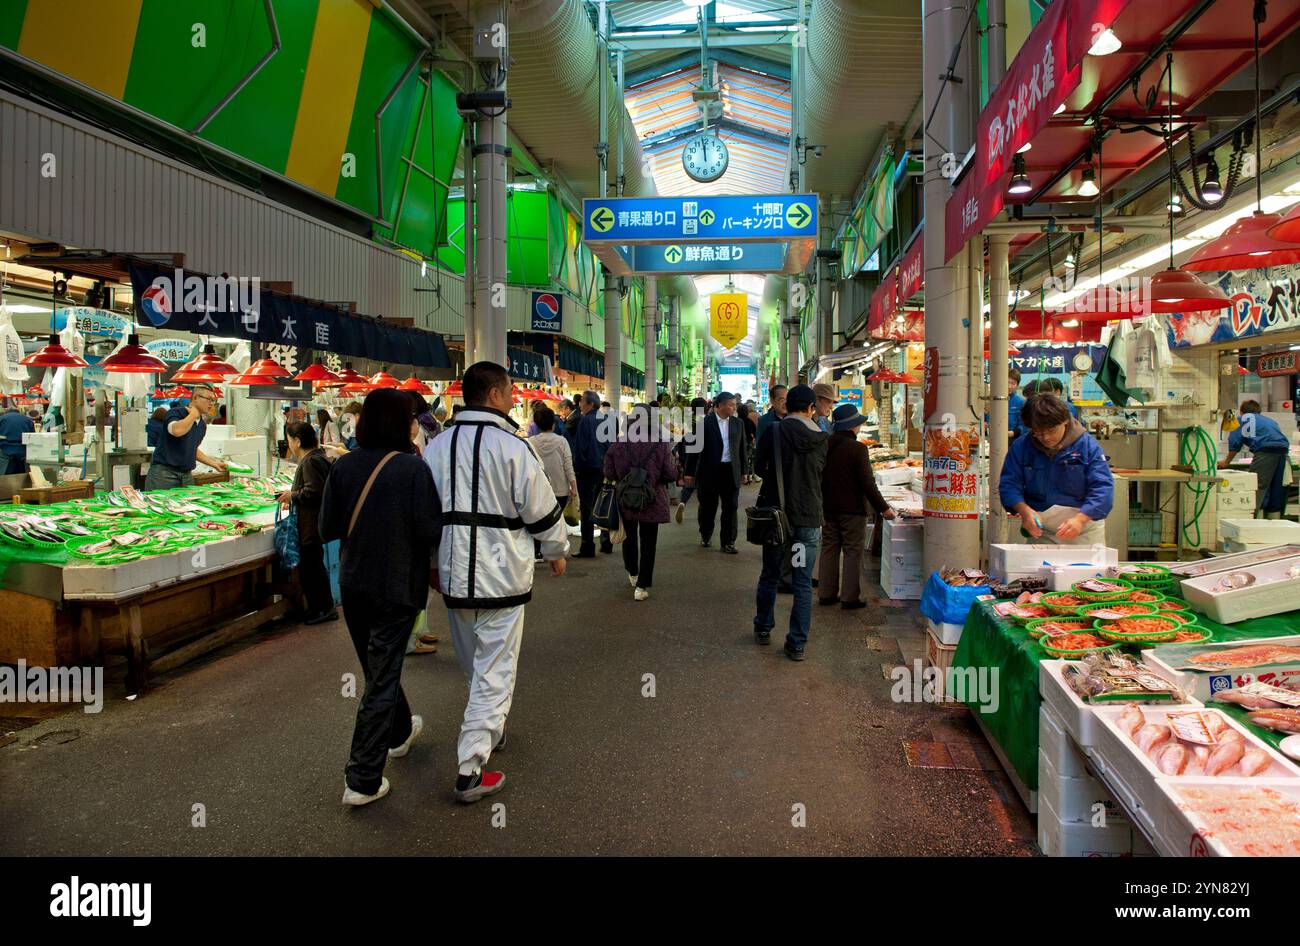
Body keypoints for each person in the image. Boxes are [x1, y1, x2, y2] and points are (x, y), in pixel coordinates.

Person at [423, 362, 569, 804]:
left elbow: (425, 513)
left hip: (453, 575)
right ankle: (470, 768)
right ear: (492, 395)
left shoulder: (437, 447)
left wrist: (432, 561)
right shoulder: (513, 447)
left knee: (475, 665)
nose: (513, 398)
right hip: (501, 576)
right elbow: (541, 509)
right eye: (508, 391)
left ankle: (491, 726)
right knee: (495, 671)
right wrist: (556, 549)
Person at [319, 388, 441, 807]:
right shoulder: (412, 469)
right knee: (382, 673)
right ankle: (363, 778)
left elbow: (327, 528)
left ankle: (401, 731)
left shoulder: (345, 466)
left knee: (378, 669)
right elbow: (430, 531)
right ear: (401, 423)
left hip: (354, 585)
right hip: (397, 585)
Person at [753, 384, 829, 661]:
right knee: (802, 582)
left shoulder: (775, 432)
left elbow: (758, 467)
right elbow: (823, 476)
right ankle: (796, 643)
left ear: (787, 406)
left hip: (777, 517)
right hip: (807, 519)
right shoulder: (822, 438)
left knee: (770, 573)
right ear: (811, 408)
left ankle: (763, 627)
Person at [1000, 394, 1113, 545]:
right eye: (1038, 432)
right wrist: (1024, 510)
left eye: (1051, 430)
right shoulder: (1022, 447)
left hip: (1084, 530)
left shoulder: (1087, 446)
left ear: (1065, 421)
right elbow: (1009, 484)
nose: (1045, 437)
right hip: (1042, 532)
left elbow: (1103, 488)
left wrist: (1081, 519)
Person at [819, 404, 894, 610]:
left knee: (829, 548)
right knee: (852, 551)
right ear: (853, 426)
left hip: (827, 507)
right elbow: (867, 483)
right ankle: (849, 597)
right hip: (852, 510)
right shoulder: (858, 449)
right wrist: (884, 508)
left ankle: (826, 593)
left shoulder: (824, 444)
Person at [604, 404, 678, 600]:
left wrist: (625, 477)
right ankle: (642, 587)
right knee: (649, 542)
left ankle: (632, 572)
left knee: (628, 537)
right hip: (651, 499)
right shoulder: (661, 444)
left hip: (626, 498)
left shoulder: (619, 443)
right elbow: (670, 474)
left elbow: (609, 472)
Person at [278, 421, 337, 625]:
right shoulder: (317, 457)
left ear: (297, 440)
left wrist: (292, 495)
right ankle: (319, 608)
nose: (289, 445)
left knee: (312, 569)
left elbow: (314, 491)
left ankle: (323, 609)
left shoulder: (310, 461)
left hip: (310, 524)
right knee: (314, 567)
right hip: (315, 523)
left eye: (289, 440)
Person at [685, 391, 746, 553]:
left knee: (731, 507)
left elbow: (742, 450)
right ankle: (706, 534)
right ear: (719, 406)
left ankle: (728, 542)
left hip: (730, 470)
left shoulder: (738, 423)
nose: (734, 408)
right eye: (731, 405)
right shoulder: (704, 423)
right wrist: (689, 473)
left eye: (735, 405)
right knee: (707, 508)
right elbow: (694, 450)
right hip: (709, 472)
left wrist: (744, 471)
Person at [144, 384, 227, 490]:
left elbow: (192, 448)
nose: (211, 404)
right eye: (209, 399)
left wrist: (214, 464)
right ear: (195, 398)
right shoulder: (176, 412)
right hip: (164, 474)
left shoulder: (201, 425)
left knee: (186, 506)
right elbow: (176, 431)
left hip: (186, 475)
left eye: (214, 401)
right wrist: (193, 415)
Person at [1220, 400, 1292, 517]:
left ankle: (1254, 520)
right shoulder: (1270, 421)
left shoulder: (1242, 419)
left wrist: (1226, 462)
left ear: (1242, 411)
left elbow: (1235, 441)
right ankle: (1274, 524)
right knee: (1276, 490)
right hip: (1283, 454)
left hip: (1266, 453)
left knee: (1257, 487)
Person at [530, 405, 576, 560]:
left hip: (539, 489)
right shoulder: (562, 441)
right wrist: (574, 488)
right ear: (553, 424)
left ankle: (537, 550)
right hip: (560, 489)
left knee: (538, 519)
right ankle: (555, 551)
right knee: (556, 520)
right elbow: (568, 466)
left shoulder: (530, 443)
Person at [573, 390, 613, 557]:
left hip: (587, 470)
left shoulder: (585, 421)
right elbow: (610, 446)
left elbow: (580, 448)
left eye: (582, 401)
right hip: (602, 469)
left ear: (590, 404)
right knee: (602, 505)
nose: (580, 404)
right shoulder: (605, 420)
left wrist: (577, 468)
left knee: (587, 507)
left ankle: (587, 545)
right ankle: (606, 542)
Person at [673, 396, 710, 525]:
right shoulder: (707, 421)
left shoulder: (686, 421)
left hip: (686, 454)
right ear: (705, 408)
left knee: (689, 482)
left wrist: (679, 455)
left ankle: (683, 502)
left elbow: (678, 438)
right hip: (702, 456)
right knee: (703, 486)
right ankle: (703, 508)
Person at [0, 398, 34, 476]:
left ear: (6, 411)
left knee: (4, 480)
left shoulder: (2, 419)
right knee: (23, 478)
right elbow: (33, 438)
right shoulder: (28, 420)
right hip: (23, 453)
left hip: (5, 453)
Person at [738, 403, 757, 484]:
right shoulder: (749, 421)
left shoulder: (736, 421)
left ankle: (739, 476)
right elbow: (755, 433)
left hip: (737, 444)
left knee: (739, 459)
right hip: (748, 443)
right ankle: (748, 478)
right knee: (748, 460)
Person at [1007, 368, 1025, 440]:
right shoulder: (993, 401)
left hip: (1013, 441)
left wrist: (1013, 433)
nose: (1009, 386)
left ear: (1017, 385)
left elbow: (1023, 425)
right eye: (1007, 382)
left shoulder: (1020, 402)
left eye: (1013, 383)